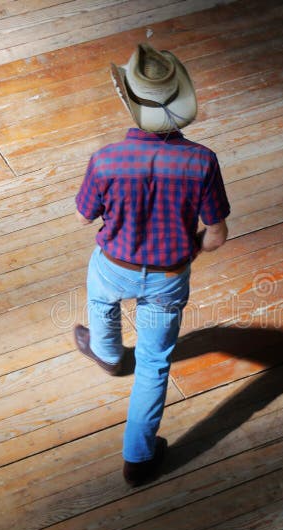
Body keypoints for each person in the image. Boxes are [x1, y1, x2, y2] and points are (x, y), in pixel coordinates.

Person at [73, 43, 230, 486]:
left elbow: (85, 215)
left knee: (100, 295)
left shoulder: (106, 159)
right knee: (155, 362)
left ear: (130, 102)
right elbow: (216, 234)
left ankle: (105, 353)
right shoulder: (202, 161)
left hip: (115, 261)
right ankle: (138, 459)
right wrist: (191, 250)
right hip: (168, 275)